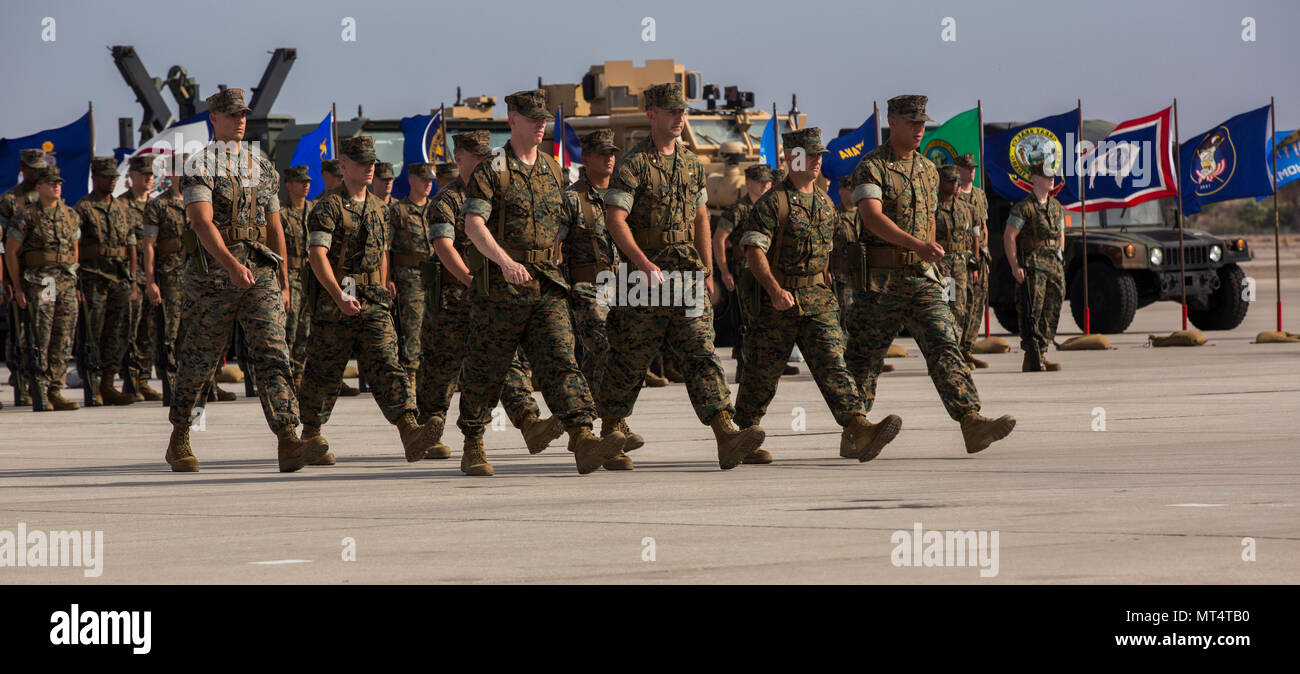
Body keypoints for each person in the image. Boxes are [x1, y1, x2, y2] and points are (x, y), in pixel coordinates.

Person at [454, 89, 629, 476]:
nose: (541, 124)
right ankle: (473, 443)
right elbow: (473, 224)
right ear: (512, 119)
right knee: (487, 367)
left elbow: (560, 226)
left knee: (561, 360)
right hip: (501, 287)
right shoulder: (492, 169)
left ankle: (583, 437)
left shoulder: (553, 168)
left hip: (546, 283)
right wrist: (504, 262)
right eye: (533, 118)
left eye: (543, 118)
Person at [600, 82, 765, 469]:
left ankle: (725, 432)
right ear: (652, 115)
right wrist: (641, 262)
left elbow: (701, 217)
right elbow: (614, 219)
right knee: (630, 357)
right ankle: (610, 432)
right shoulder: (633, 163)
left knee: (701, 352)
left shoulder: (692, 163)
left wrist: (706, 270)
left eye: (682, 112)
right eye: (672, 112)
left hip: (686, 274)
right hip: (643, 278)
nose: (679, 118)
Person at [165, 88, 327, 473]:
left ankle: (288, 436)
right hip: (213, 277)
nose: (240, 120)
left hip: (260, 271)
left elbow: (274, 225)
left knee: (274, 353)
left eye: (243, 114)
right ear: (214, 120)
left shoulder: (261, 164)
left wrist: (283, 279)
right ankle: (180, 434)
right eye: (232, 115)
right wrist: (230, 265)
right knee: (198, 360)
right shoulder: (200, 165)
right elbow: (201, 222)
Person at [843, 94, 1015, 454]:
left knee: (944, 342)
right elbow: (872, 217)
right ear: (893, 122)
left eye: (923, 123)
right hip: (881, 280)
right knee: (864, 358)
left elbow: (930, 221)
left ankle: (970, 420)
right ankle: (856, 431)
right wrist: (915, 245)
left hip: (922, 277)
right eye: (912, 122)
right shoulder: (871, 166)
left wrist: (928, 256)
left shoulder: (926, 170)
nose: (920, 129)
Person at [733, 128, 900, 462]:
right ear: (791, 157)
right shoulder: (773, 203)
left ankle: (858, 426)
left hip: (818, 300)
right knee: (761, 375)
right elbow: (754, 250)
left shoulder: (825, 201)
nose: (816, 161)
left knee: (834, 365)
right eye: (809, 155)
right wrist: (775, 290)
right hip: (777, 302)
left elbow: (835, 250)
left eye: (818, 155)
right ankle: (742, 435)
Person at [416, 130, 565, 464]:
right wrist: (470, 282)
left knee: (503, 361)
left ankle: (529, 423)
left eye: (488, 156)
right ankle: (426, 430)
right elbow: (444, 247)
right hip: (454, 299)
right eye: (477, 157)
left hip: (493, 296)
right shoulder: (447, 200)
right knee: (441, 368)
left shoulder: (498, 195)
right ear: (459, 159)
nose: (485, 162)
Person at [299, 136, 441, 464]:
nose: (369, 167)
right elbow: (317, 255)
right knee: (324, 369)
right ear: (344, 165)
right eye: (362, 162)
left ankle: (410, 429)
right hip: (338, 295)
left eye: (372, 162)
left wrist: (384, 284)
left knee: (387, 362)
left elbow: (382, 253)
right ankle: (310, 435)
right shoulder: (329, 206)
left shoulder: (379, 206)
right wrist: (338, 295)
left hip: (373, 298)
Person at [558, 128, 638, 469]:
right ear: (586, 159)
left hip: (619, 290)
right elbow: (555, 247)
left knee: (598, 364)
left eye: (612, 152)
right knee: (607, 349)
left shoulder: (622, 197)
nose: (609, 157)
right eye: (601, 152)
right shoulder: (572, 199)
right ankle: (613, 426)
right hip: (585, 289)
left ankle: (586, 434)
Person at [3, 167, 81, 411]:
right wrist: (17, 287)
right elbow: (12, 252)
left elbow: (75, 247)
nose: (56, 186)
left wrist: (74, 275)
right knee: (41, 336)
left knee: (64, 336)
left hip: (66, 282)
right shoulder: (26, 216)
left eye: (58, 182)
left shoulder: (70, 215)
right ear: (39, 187)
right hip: (42, 282)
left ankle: (55, 388)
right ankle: (36, 385)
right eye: (50, 183)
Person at [74, 156, 137, 406]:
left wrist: (132, 279)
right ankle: (92, 384)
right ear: (95, 177)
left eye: (114, 177)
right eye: (107, 176)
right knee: (93, 333)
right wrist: (76, 281)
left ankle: (109, 383)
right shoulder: (83, 208)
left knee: (118, 332)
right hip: (93, 279)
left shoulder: (123, 208)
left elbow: (131, 244)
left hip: (119, 278)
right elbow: (75, 245)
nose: (112, 181)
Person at [1004, 162, 1066, 372]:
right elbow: (1009, 236)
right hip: (1033, 264)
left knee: (1053, 307)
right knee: (1033, 310)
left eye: (1053, 176)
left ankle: (1044, 350)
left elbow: (1060, 234)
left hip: (1053, 264)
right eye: (1047, 176)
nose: (1052, 179)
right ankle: (1032, 354)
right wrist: (1015, 265)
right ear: (1034, 178)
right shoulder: (1024, 208)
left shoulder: (1056, 206)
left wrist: (1059, 256)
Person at [142, 157, 190, 402]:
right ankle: (172, 384)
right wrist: (151, 281)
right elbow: (148, 245)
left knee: (195, 331)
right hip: (170, 275)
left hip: (196, 274)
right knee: (171, 332)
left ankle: (200, 385)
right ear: (170, 175)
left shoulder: (199, 202)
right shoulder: (158, 206)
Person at [386, 162, 435, 398]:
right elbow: (386, 249)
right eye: (423, 179)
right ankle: (411, 386)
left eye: (430, 180)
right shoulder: (398, 211)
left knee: (434, 331)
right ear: (412, 180)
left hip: (434, 278)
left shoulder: (435, 209)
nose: (428, 184)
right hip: (409, 279)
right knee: (413, 332)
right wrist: (388, 279)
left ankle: (430, 383)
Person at [120, 155, 162, 401]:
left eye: (151, 175)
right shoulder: (121, 207)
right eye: (143, 174)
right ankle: (130, 380)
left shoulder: (157, 206)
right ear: (131, 177)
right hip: (130, 278)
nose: (148, 178)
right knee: (130, 330)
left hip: (153, 277)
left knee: (150, 330)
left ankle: (144, 379)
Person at [934, 165, 978, 370]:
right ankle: (943, 354)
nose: (955, 185)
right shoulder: (933, 207)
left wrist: (974, 262)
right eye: (951, 181)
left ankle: (956, 353)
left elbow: (971, 236)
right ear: (941, 182)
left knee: (960, 308)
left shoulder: (963, 208)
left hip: (959, 265)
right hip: (942, 265)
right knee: (944, 307)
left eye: (956, 182)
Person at [279, 165, 314, 389]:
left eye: (307, 181)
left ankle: (299, 376)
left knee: (306, 329)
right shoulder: (281, 214)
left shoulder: (315, 211)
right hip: (290, 274)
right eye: (300, 181)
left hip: (310, 276)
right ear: (289, 185)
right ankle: (286, 377)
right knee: (289, 329)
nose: (306, 185)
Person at [955, 153, 990, 368]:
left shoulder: (979, 195)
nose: (972, 171)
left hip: (979, 257)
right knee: (959, 305)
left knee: (977, 303)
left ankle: (968, 349)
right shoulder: (953, 195)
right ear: (957, 170)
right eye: (967, 168)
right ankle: (956, 350)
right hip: (959, 259)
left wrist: (985, 252)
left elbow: (983, 225)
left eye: (973, 167)